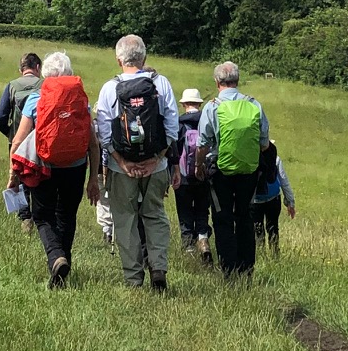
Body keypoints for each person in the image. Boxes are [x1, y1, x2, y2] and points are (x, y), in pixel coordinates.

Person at [91, 35, 180, 293]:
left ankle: (133, 278)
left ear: (118, 60)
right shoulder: (161, 83)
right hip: (157, 167)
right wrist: (156, 160)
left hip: (121, 168)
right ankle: (158, 268)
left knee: (125, 220)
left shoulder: (110, 88)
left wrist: (121, 162)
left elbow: (104, 133)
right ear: (144, 58)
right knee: (155, 215)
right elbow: (172, 127)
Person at [8, 51, 94, 289]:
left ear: (44, 73)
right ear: (69, 73)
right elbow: (94, 144)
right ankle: (63, 266)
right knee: (67, 216)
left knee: (43, 216)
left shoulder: (36, 99)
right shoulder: (81, 101)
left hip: (45, 166)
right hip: (76, 167)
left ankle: (56, 257)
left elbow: (18, 141)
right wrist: (93, 179)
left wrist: (13, 174)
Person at [198, 61, 270, 278]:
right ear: (238, 80)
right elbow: (264, 143)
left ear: (217, 82)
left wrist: (198, 165)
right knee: (245, 217)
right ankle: (247, 270)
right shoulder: (254, 105)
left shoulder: (212, 106)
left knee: (223, 219)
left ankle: (228, 270)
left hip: (220, 171)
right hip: (249, 171)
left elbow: (203, 144)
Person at [0, 53, 43, 227]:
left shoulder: (12, 86)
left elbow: (0, 116)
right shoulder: (44, 86)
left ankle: (25, 218)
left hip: (17, 141)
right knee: (39, 178)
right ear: (37, 67)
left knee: (19, 178)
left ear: (21, 69)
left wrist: (10, 133)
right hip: (40, 142)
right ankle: (39, 218)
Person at [172, 86, 213, 264]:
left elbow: (173, 150)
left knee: (185, 213)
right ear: (199, 104)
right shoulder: (207, 122)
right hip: (204, 175)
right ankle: (203, 240)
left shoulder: (178, 124)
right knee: (202, 211)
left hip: (183, 177)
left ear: (184, 104)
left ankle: (188, 248)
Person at [253, 140, 296, 254]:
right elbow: (284, 181)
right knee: (273, 228)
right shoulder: (275, 158)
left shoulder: (250, 160)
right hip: (273, 199)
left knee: (257, 230)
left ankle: (260, 255)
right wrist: (290, 202)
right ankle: (275, 254)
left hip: (255, 201)